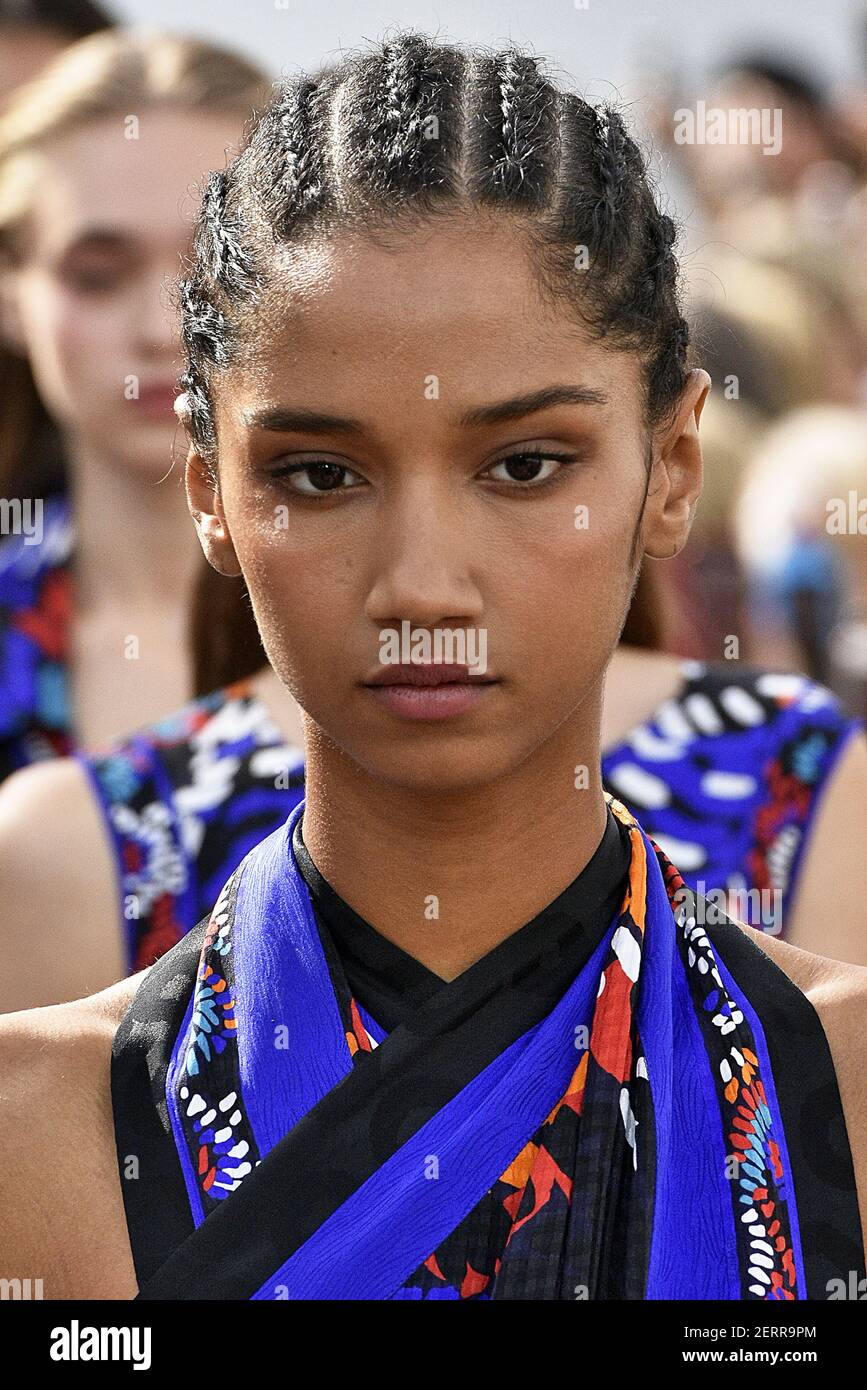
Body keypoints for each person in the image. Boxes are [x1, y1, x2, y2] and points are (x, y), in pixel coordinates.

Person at [1, 31, 864, 1300]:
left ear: (672, 468)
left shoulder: (842, 1089)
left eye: (524, 465)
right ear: (212, 493)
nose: (420, 584)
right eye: (320, 474)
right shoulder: (36, 1136)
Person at [0, 28, 270, 777]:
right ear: (11, 292)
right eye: (96, 274)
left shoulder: (414, 621)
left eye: (217, 262)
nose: (162, 328)